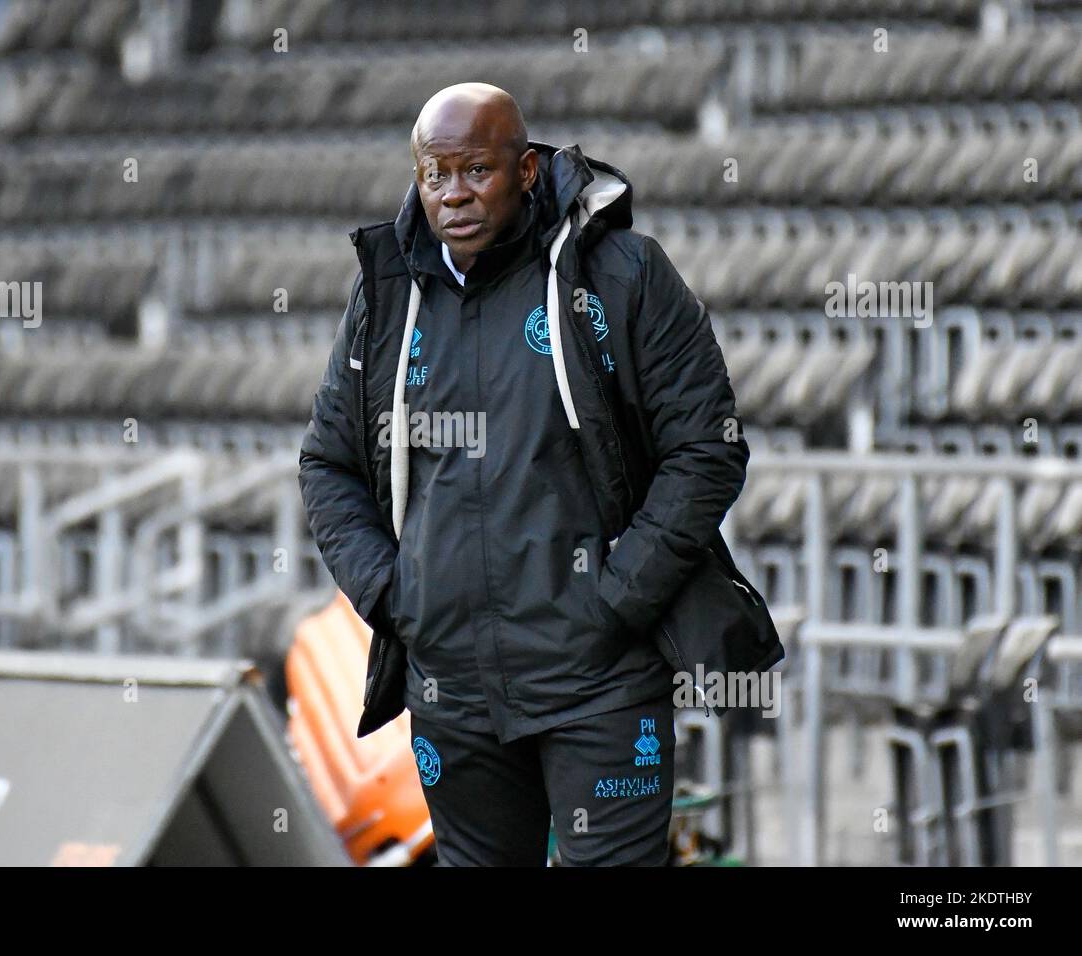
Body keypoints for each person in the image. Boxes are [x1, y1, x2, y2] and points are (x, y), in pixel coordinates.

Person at [298, 82, 748, 866]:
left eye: (476, 169)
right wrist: (398, 595)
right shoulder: (384, 299)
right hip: (452, 691)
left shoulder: (621, 275)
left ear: (528, 170)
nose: (453, 194)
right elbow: (327, 463)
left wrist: (617, 598)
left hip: (600, 684)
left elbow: (709, 447)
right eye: (434, 174)